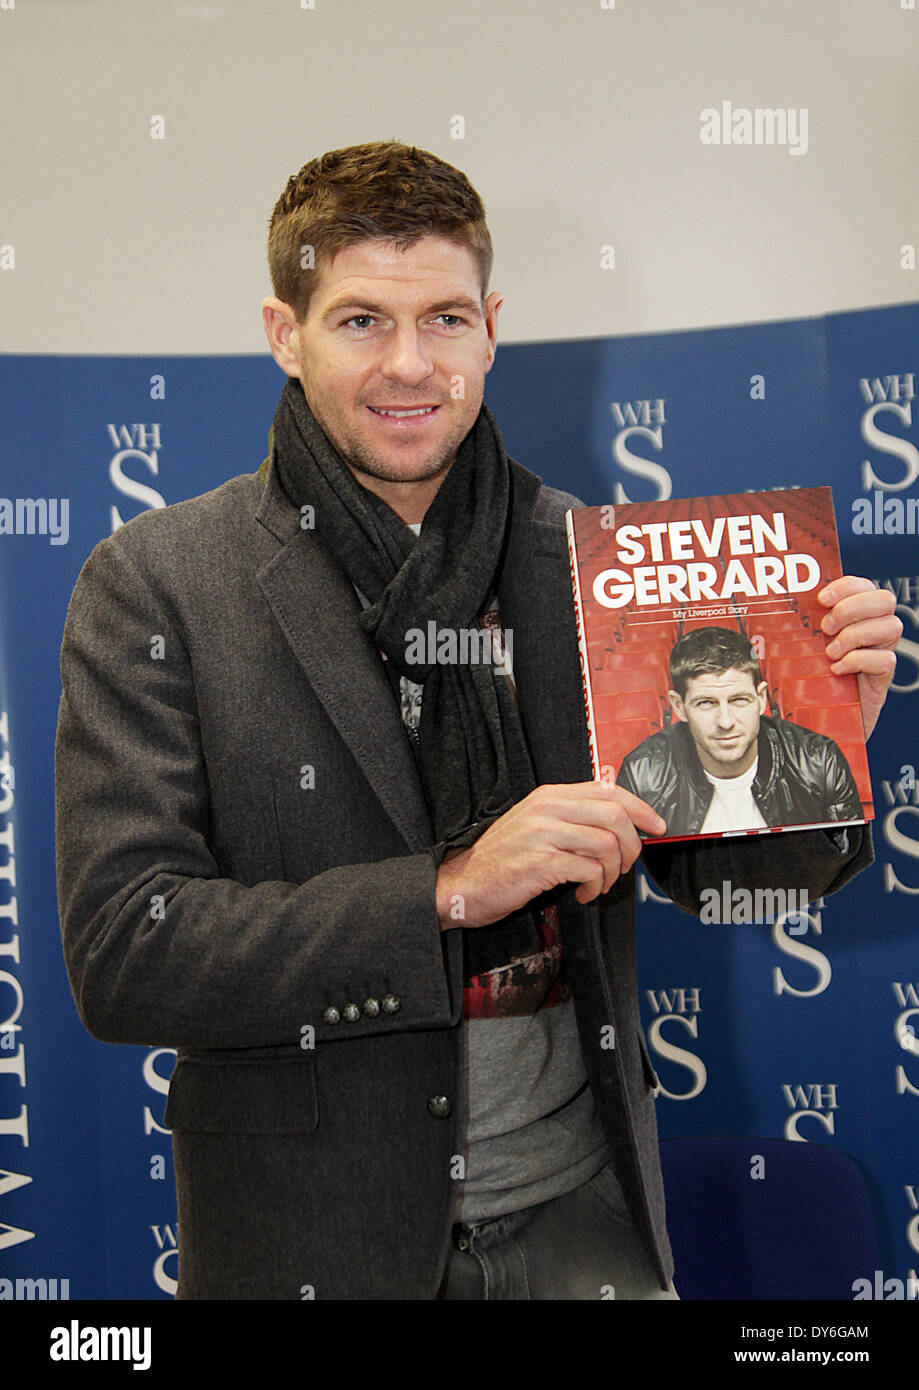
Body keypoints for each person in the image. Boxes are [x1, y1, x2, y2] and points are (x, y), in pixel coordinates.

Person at [54, 141, 902, 1301]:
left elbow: (713, 873)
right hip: (313, 1243)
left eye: (446, 319)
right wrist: (447, 889)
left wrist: (822, 734)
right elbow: (126, 950)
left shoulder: (583, 559)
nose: (411, 364)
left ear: (492, 327)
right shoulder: (155, 582)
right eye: (359, 320)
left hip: (586, 1217)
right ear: (280, 331)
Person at [615, 626, 865, 836]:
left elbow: (843, 855)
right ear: (679, 707)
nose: (725, 722)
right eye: (706, 703)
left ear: (761, 699)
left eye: (738, 700)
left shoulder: (818, 761)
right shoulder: (642, 774)